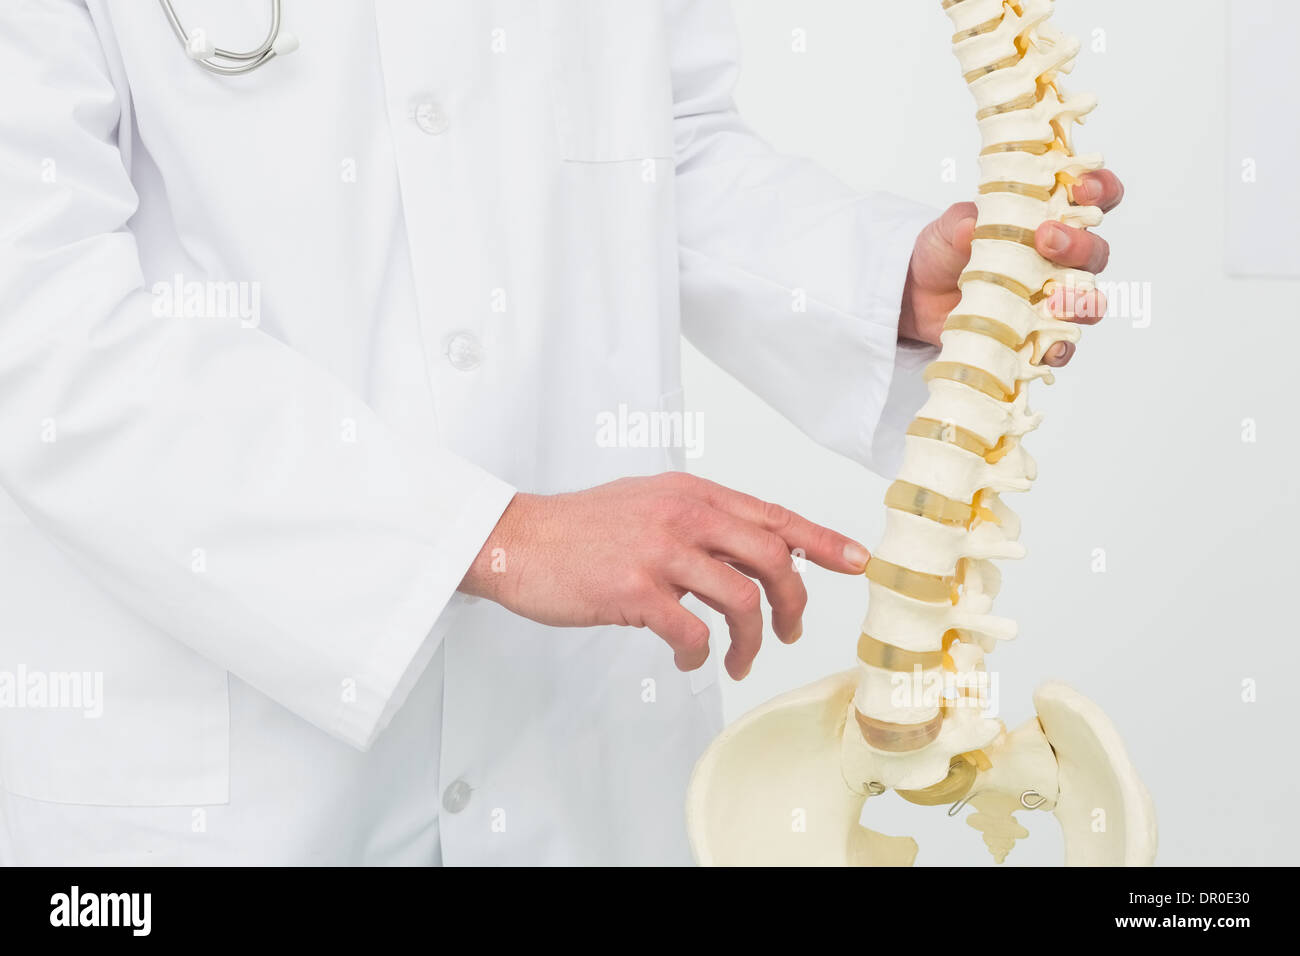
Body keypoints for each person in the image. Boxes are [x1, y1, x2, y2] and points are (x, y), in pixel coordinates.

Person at [0, 0, 1121, 865]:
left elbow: (657, 147)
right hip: (227, 768)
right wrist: (486, 536)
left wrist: (878, 284)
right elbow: (40, 317)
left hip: (577, 745)